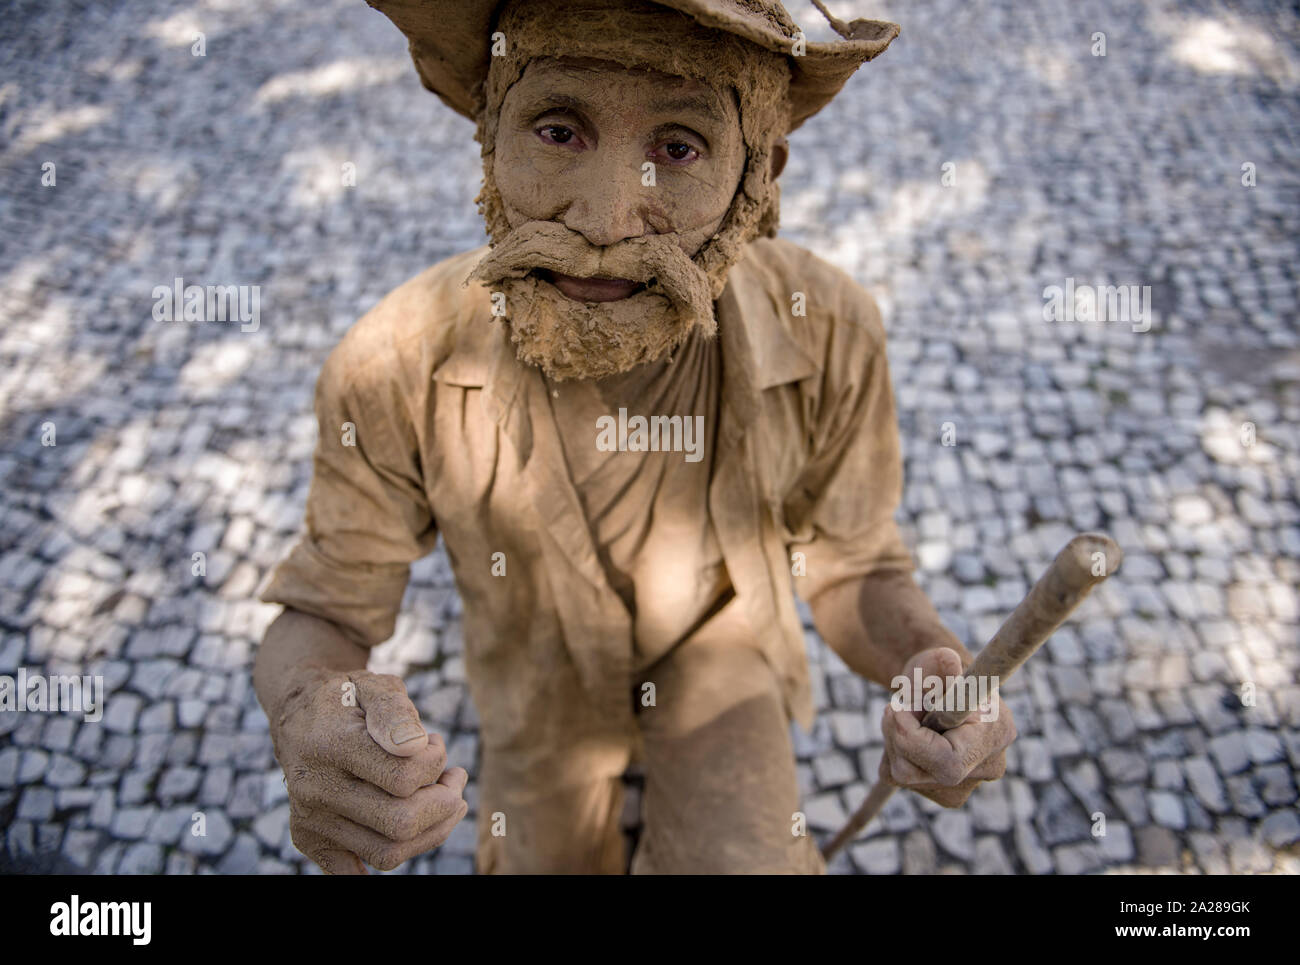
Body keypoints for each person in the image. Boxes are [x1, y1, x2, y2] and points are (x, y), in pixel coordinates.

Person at [253, 0, 1017, 875]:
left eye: (678, 148)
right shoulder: (391, 363)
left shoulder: (830, 328)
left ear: (757, 178)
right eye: (558, 130)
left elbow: (856, 565)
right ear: (490, 141)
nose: (607, 220)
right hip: (534, 684)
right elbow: (323, 608)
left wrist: (929, 667)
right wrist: (308, 713)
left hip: (719, 654)